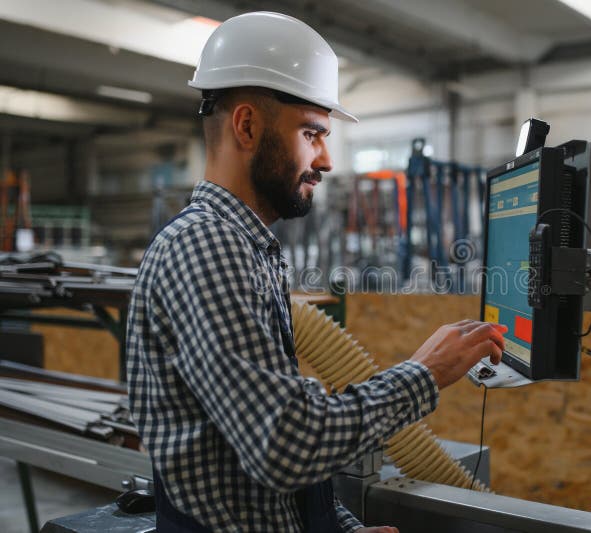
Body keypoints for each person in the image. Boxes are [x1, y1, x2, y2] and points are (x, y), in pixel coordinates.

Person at [126, 12, 506, 533]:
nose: (326, 159)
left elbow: (259, 464)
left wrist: (340, 528)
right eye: (312, 133)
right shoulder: (206, 246)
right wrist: (425, 373)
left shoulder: (249, 247)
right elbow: (284, 444)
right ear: (247, 126)